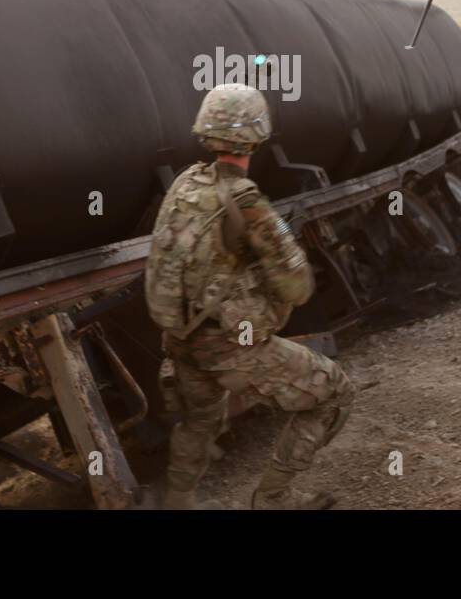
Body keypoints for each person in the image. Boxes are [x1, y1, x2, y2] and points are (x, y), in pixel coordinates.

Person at [144, 83, 353, 509]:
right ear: (257, 135)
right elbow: (297, 285)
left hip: (180, 340)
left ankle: (177, 501)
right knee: (334, 395)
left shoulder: (185, 183)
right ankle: (274, 499)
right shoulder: (247, 200)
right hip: (230, 346)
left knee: (201, 419)